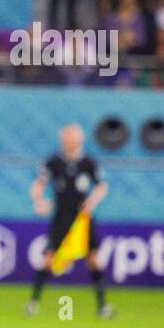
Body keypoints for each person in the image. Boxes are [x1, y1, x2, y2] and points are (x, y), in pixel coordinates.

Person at [28, 123, 112, 318]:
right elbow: (39, 184)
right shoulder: (53, 161)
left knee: (93, 258)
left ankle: (102, 306)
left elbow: (102, 186)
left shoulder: (89, 162)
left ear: (80, 140)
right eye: (65, 139)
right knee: (48, 257)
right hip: (61, 217)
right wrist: (39, 200)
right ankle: (33, 302)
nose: (68, 142)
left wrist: (91, 202)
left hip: (82, 219)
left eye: (72, 139)